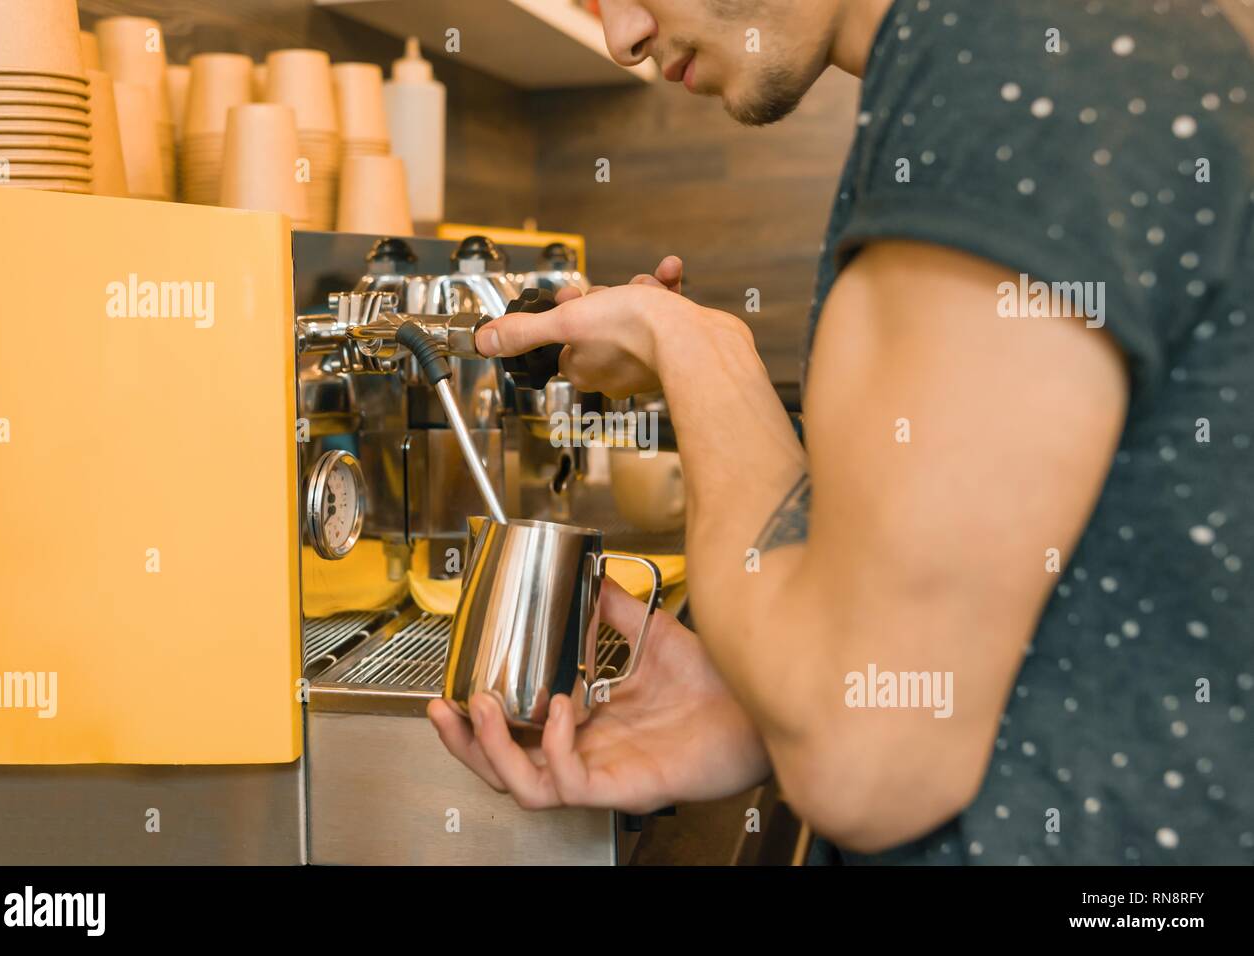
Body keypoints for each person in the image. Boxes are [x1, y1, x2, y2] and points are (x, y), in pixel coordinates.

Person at [428, 0, 1254, 864]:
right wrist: (759, 708)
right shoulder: (978, 61)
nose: (623, 35)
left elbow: (867, 757)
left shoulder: (1022, 63)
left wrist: (694, 346)